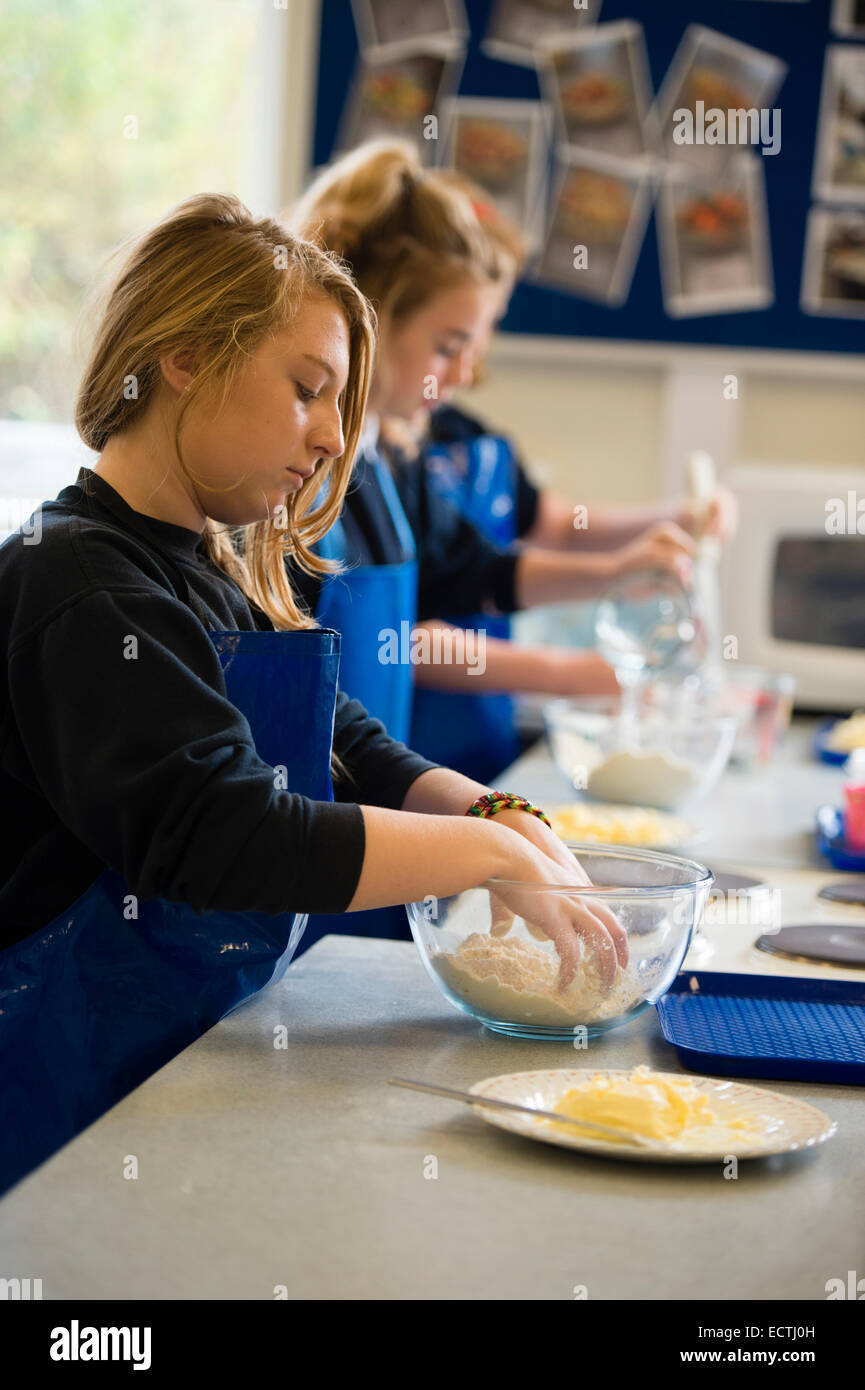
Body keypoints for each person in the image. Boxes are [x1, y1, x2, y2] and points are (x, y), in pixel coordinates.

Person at [0, 194, 624, 1194]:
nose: (335, 436)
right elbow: (222, 833)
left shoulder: (205, 562)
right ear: (188, 355)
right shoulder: (80, 579)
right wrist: (487, 852)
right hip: (58, 1106)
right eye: (307, 389)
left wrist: (497, 812)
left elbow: (349, 742)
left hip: (180, 1065)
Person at [286, 139, 698, 788]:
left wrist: (616, 573)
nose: (468, 372)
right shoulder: (295, 483)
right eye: (449, 346)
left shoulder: (387, 459)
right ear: (368, 316)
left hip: (369, 801)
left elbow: (471, 573)